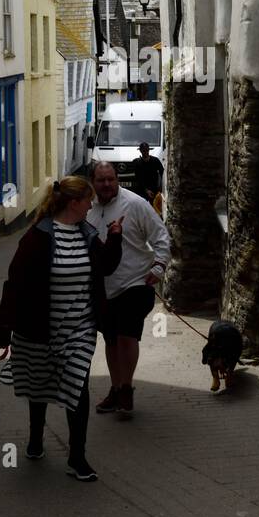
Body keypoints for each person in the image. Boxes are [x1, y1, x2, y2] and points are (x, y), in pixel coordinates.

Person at [0, 177, 123, 482]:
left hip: (79, 330)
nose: (91, 205)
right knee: (39, 387)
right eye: (87, 200)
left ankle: (77, 457)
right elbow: (14, 287)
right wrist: (2, 333)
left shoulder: (88, 234)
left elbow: (105, 267)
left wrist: (115, 237)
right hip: (39, 331)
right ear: (73, 203)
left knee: (77, 387)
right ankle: (35, 437)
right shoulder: (36, 238)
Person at [87, 161, 171, 416]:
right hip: (103, 287)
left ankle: (126, 389)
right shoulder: (86, 208)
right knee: (110, 339)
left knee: (126, 336)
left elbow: (161, 236)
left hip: (135, 282)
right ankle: (115, 388)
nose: (107, 184)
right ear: (93, 182)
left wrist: (159, 266)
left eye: (111, 179)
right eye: (101, 180)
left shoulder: (135, 204)